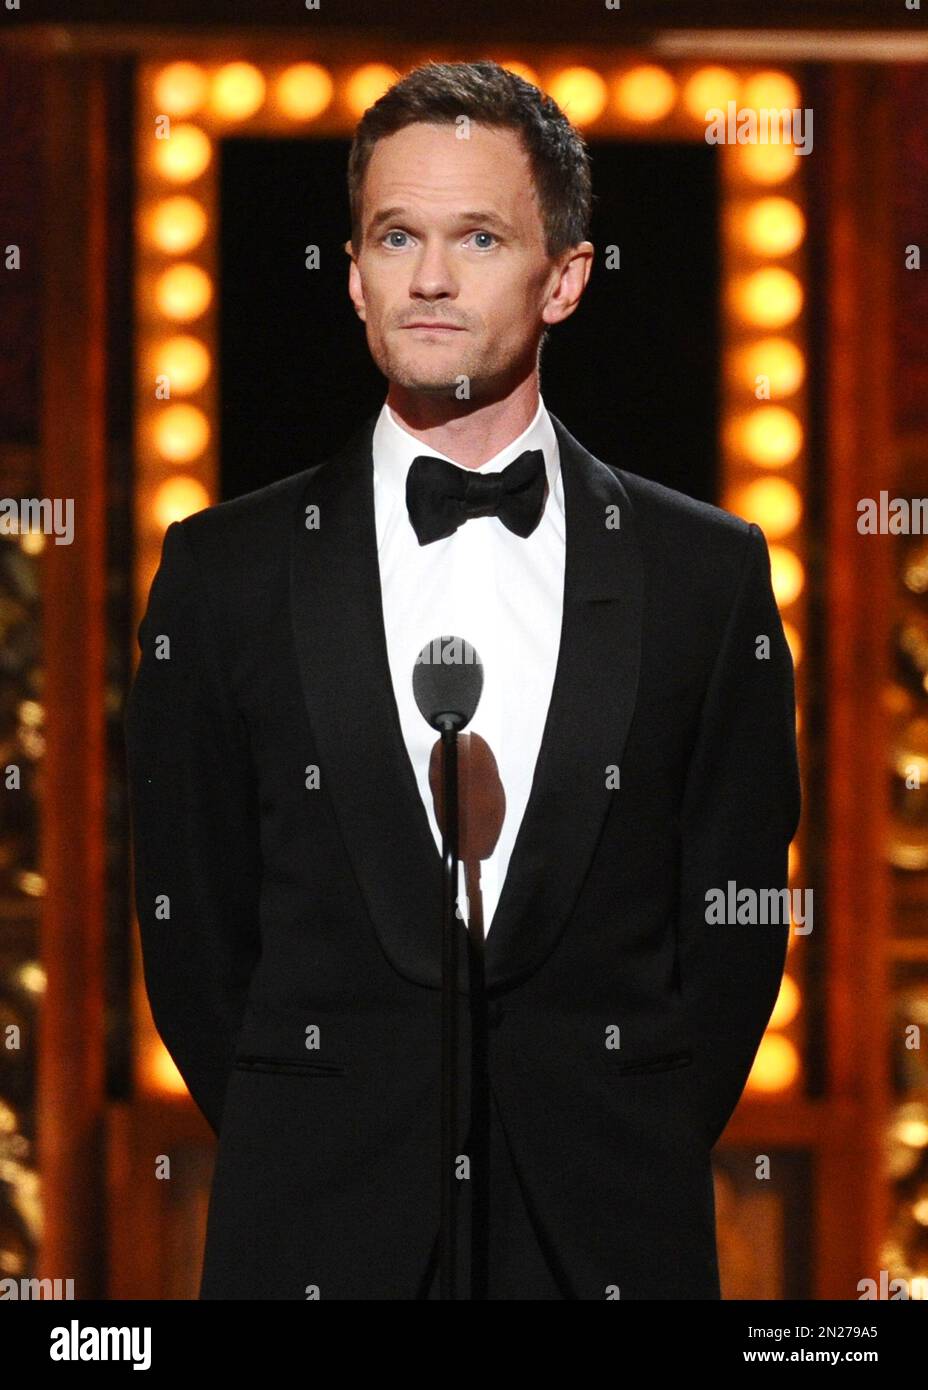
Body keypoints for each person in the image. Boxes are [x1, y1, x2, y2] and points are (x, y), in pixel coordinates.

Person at [124, 59, 801, 1300]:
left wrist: (623, 1130)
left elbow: (735, 919)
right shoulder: (223, 572)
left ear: (564, 280)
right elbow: (192, 924)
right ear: (354, 274)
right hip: (313, 1234)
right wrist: (314, 1129)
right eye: (397, 237)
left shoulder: (705, 574)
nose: (429, 278)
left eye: (477, 237)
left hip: (605, 1234)